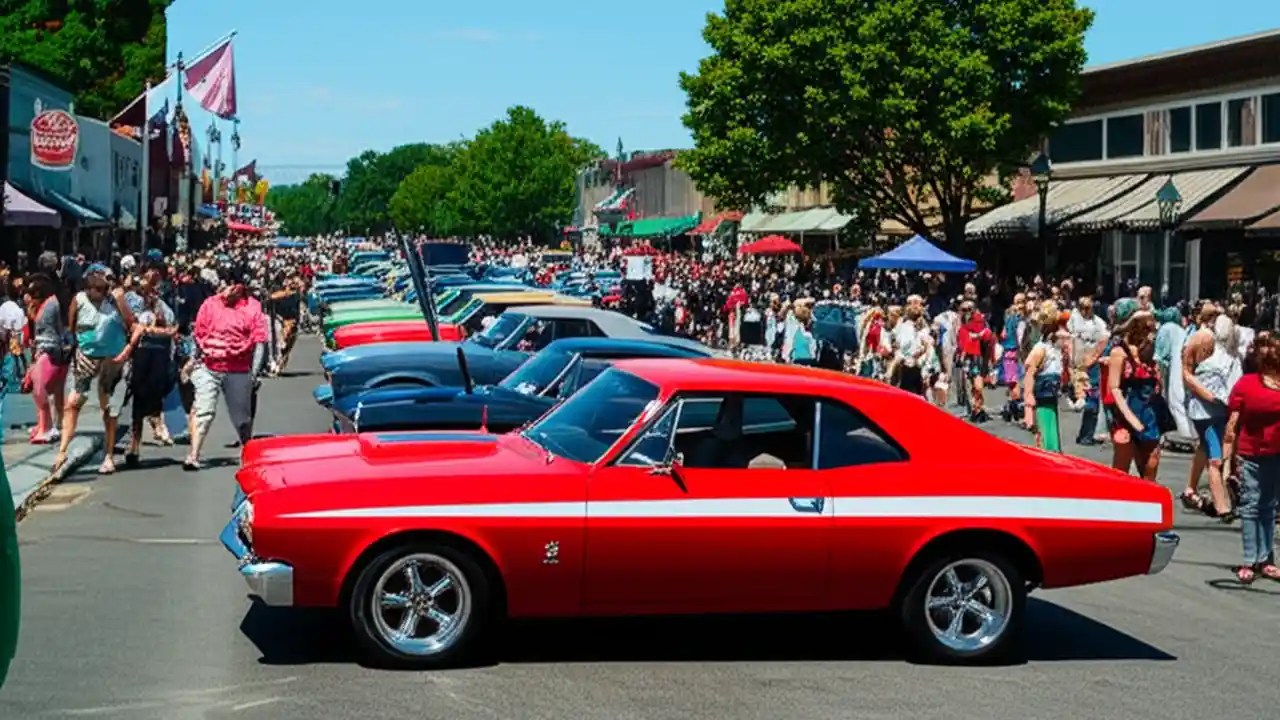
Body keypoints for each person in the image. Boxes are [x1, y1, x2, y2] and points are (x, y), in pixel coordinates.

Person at [52, 271, 134, 476]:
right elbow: (71, 326)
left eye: (99, 288)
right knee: (73, 402)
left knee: (108, 408)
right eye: (91, 287)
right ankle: (62, 451)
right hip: (86, 354)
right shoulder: (79, 299)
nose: (94, 291)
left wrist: (120, 299)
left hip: (111, 357)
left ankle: (108, 455)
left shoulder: (115, 300)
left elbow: (130, 322)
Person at [186, 267, 268, 471]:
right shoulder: (210, 305)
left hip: (238, 368)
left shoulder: (253, 308)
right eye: (223, 283)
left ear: (240, 287)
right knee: (203, 410)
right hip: (210, 366)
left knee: (242, 419)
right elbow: (199, 334)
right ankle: (194, 454)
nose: (225, 288)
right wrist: (192, 361)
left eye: (230, 283)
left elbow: (260, 342)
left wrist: (254, 373)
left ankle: (247, 449)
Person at [1223, 332, 1280, 585]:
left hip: (1276, 453)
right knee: (1250, 505)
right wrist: (1226, 461)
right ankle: (1249, 560)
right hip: (1249, 452)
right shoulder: (1246, 384)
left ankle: (1266, 559)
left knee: (1269, 506)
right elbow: (1232, 424)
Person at [1182, 308, 1242, 519]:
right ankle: (1222, 507)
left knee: (1207, 449)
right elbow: (1187, 372)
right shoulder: (1203, 343)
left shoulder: (1231, 357)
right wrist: (1206, 394)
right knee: (1215, 460)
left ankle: (1190, 490)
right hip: (1204, 414)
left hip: (1220, 412)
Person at [122, 265, 178, 469]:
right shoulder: (132, 301)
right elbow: (133, 325)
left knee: (153, 397)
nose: (152, 288)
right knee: (138, 399)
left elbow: (173, 327)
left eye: (155, 284)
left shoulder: (164, 306)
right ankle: (134, 445)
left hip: (159, 355)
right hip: (141, 353)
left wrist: (152, 329)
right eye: (148, 283)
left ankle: (155, 425)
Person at [1106, 303, 1163, 481]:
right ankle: (1116, 503)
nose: (1145, 329)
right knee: (1122, 465)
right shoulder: (1119, 352)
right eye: (1140, 324)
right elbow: (1114, 389)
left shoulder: (1147, 351)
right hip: (1126, 412)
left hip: (1147, 411)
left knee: (1152, 461)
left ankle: (1146, 500)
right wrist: (1130, 418)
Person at [23, 275, 68, 444]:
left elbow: (50, 329)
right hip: (44, 349)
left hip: (49, 349)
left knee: (40, 389)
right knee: (40, 389)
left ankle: (47, 426)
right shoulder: (45, 304)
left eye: (33, 291)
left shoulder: (50, 304)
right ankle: (46, 424)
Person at [1022, 302, 1067, 453]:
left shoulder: (1052, 348)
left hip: (1051, 397)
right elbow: (1029, 371)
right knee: (1046, 436)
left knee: (1052, 434)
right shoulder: (1040, 349)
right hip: (1042, 398)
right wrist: (1028, 396)